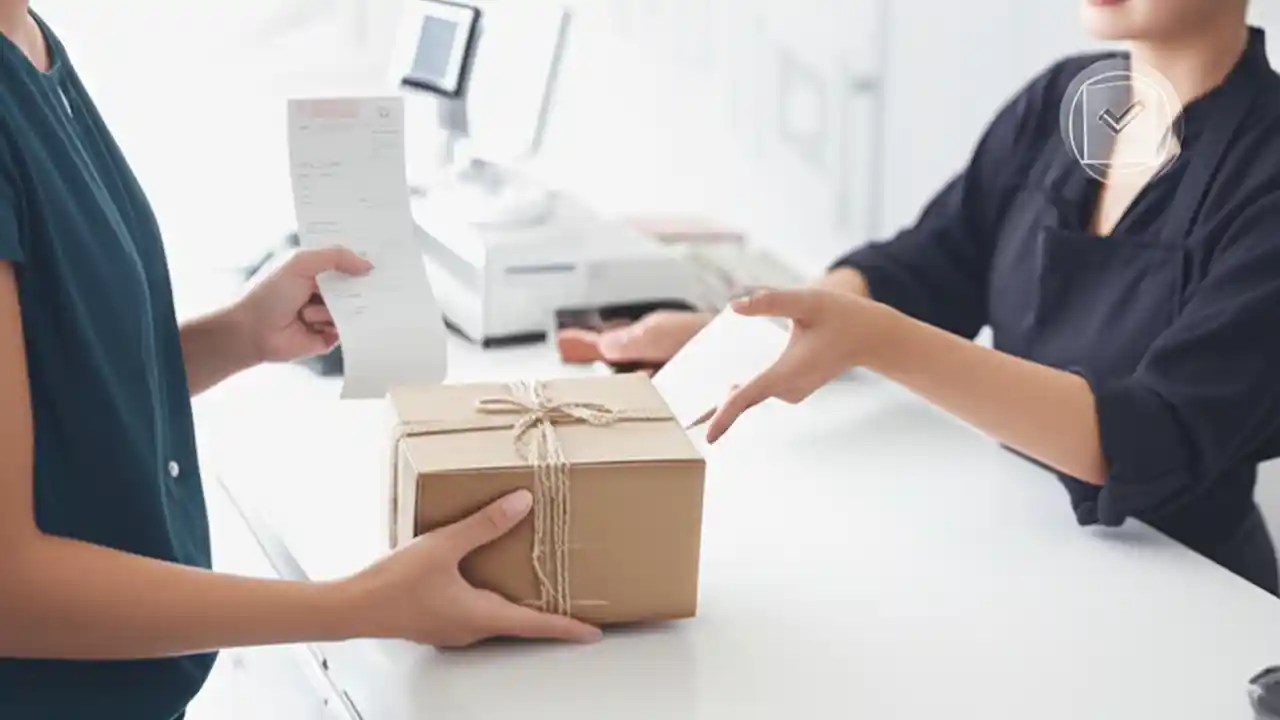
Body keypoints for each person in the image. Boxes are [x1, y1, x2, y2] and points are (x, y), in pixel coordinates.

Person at [0, 7, 601, 718]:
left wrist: (240, 335)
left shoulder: (25, 34)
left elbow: (62, 390)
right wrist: (360, 605)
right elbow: (14, 588)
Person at [631, 0, 1280, 593]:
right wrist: (764, 326)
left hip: (1194, 598)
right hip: (1028, 555)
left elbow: (1150, 436)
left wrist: (874, 337)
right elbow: (938, 261)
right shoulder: (1064, 99)